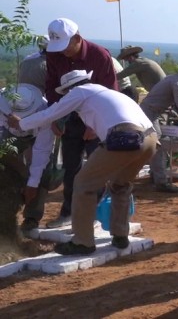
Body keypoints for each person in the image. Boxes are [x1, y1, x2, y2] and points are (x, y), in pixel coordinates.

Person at [9, 70, 156, 255]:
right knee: (120, 184)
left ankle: (83, 242)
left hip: (125, 137)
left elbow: (50, 113)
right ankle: (120, 236)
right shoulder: (105, 92)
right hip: (150, 139)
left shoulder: (79, 92)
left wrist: (21, 123)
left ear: (69, 89)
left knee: (83, 184)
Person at [44, 17, 119, 228]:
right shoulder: (54, 55)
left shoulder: (99, 55)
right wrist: (54, 116)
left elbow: (110, 92)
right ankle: (69, 212)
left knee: (97, 168)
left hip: (97, 117)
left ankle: (93, 213)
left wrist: (94, 125)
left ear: (77, 38)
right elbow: (51, 87)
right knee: (70, 167)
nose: (63, 51)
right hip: (70, 118)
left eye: (65, 45)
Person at [1, 84, 55, 233]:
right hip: (7, 136)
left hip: (35, 137)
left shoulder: (45, 113)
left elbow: (41, 152)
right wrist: (19, 169)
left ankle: (31, 217)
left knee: (43, 173)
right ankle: (5, 213)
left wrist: (32, 184)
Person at [139, 57, 178, 193]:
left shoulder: (174, 79)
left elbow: (169, 101)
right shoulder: (177, 82)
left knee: (157, 144)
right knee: (158, 145)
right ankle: (161, 182)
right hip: (150, 113)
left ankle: (155, 175)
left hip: (154, 112)